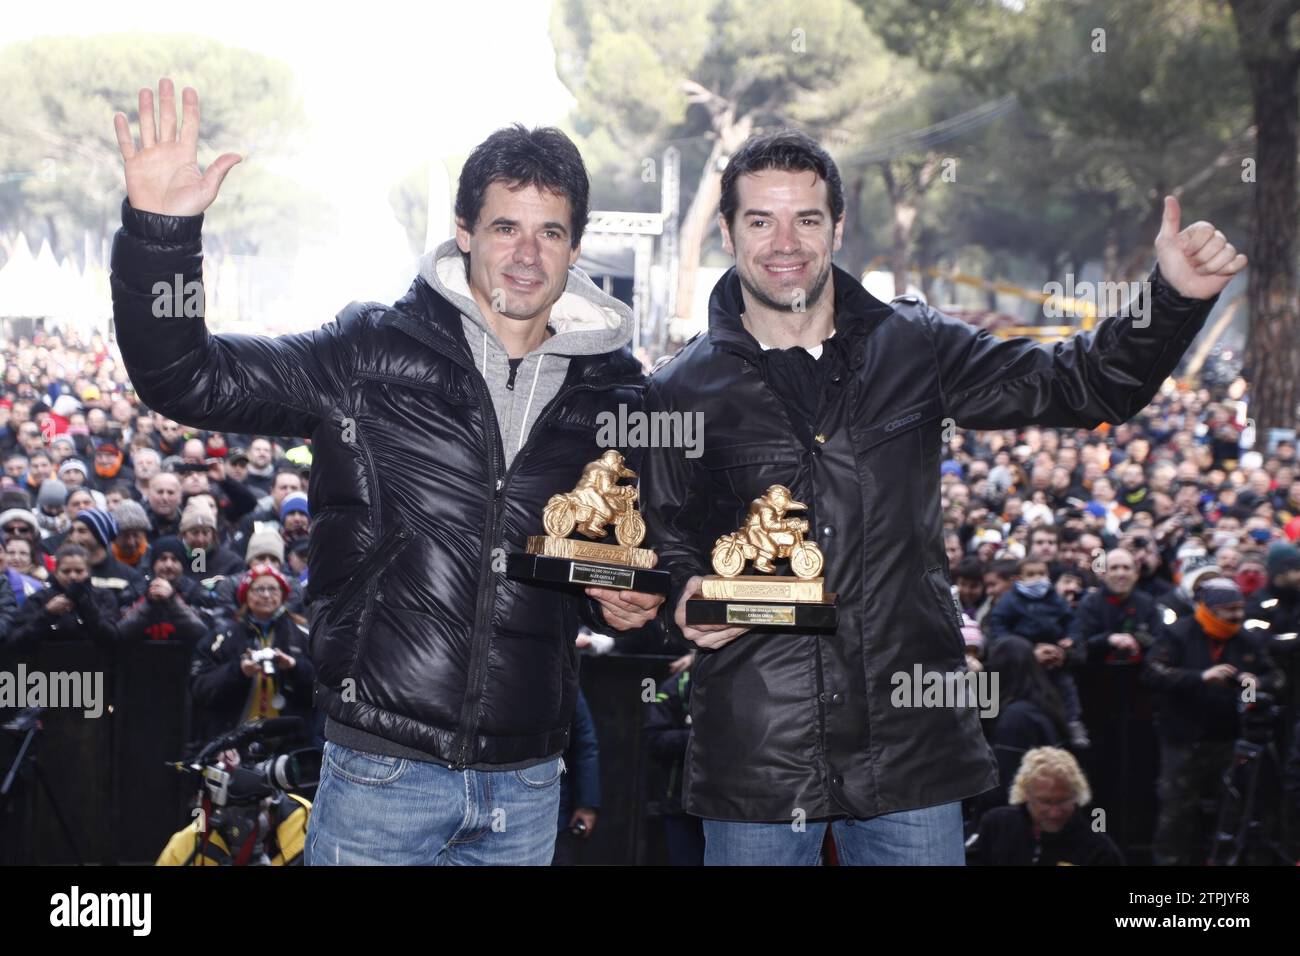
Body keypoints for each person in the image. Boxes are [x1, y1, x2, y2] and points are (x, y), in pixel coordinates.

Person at [641, 128, 1243, 865]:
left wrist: (1171, 298)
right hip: (757, 749)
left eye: (806, 217)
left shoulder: (914, 344)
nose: (784, 241)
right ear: (729, 231)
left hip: (911, 740)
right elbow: (661, 538)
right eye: (760, 220)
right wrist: (680, 595)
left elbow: (1081, 383)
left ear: (839, 226)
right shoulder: (678, 390)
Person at [110, 80, 663, 865]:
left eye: (550, 231)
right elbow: (185, 377)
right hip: (381, 772)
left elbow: (646, 551)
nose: (527, 254)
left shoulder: (618, 392)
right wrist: (162, 232)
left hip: (530, 781)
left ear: (576, 247)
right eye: (506, 226)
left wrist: (634, 598)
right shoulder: (364, 353)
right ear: (465, 231)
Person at [1142, 577, 1283, 864]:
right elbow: (1153, 673)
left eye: (1239, 609)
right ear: (1209, 609)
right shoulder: (1177, 634)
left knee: (1229, 811)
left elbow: (1275, 677)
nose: (1237, 616)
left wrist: (1254, 681)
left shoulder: (1246, 639)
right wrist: (1200, 678)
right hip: (1182, 740)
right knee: (1177, 814)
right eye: (1229, 610)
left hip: (1229, 741)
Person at [970, 747, 1124, 866]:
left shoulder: (1098, 851)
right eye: (1045, 802)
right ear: (1025, 794)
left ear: (1077, 796)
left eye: (1063, 801)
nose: (1054, 813)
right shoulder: (995, 826)